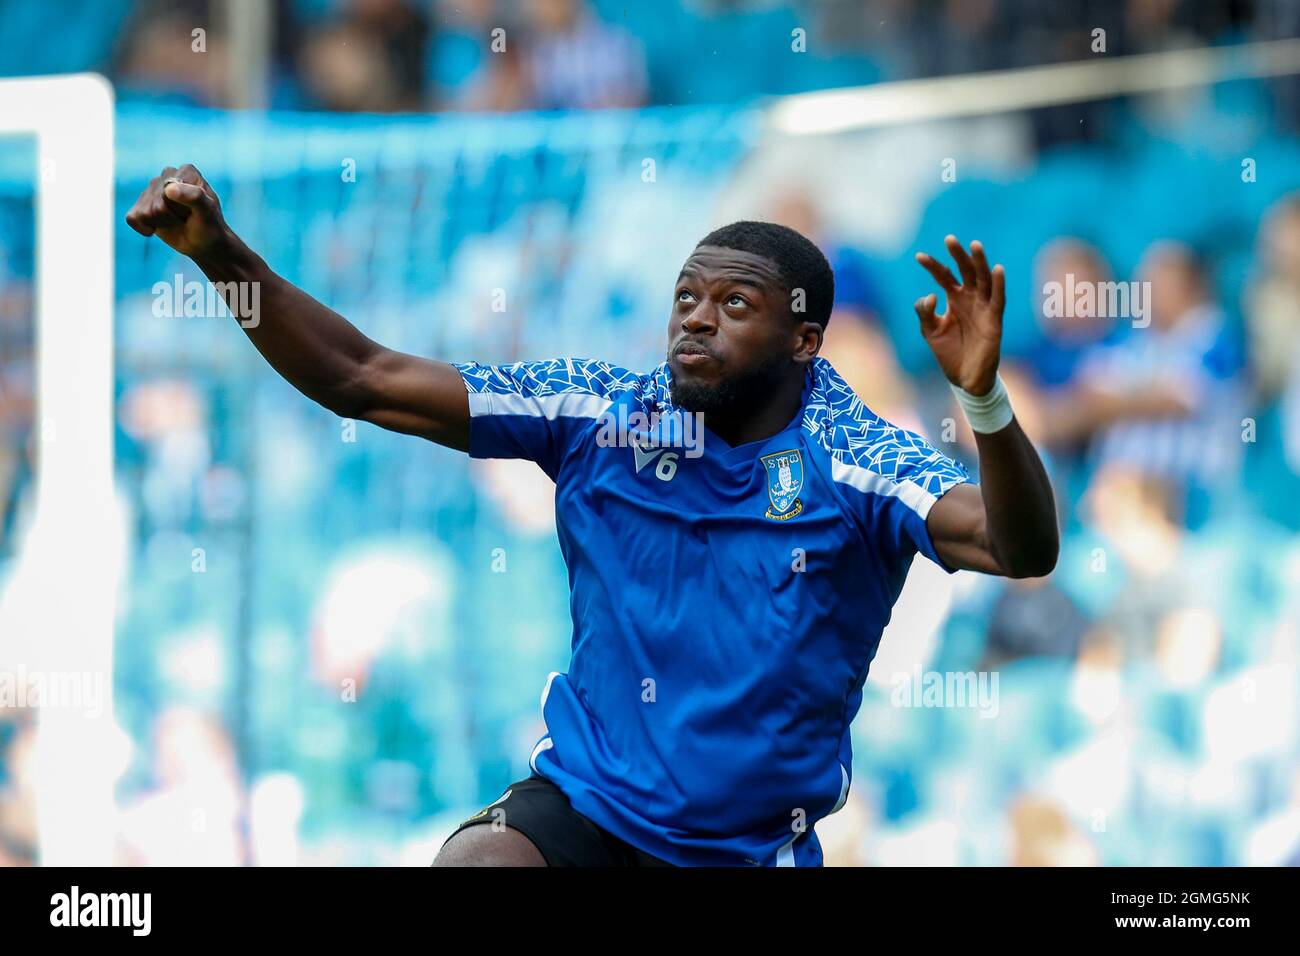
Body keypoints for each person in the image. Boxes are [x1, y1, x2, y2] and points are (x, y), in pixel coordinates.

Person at [125, 164, 1058, 867]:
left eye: (735, 304)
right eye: (686, 298)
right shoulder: (600, 415)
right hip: (591, 812)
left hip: (747, 849)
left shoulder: (855, 460)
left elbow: (1023, 548)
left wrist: (982, 401)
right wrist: (220, 254)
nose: (696, 320)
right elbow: (361, 379)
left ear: (805, 340)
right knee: (477, 863)